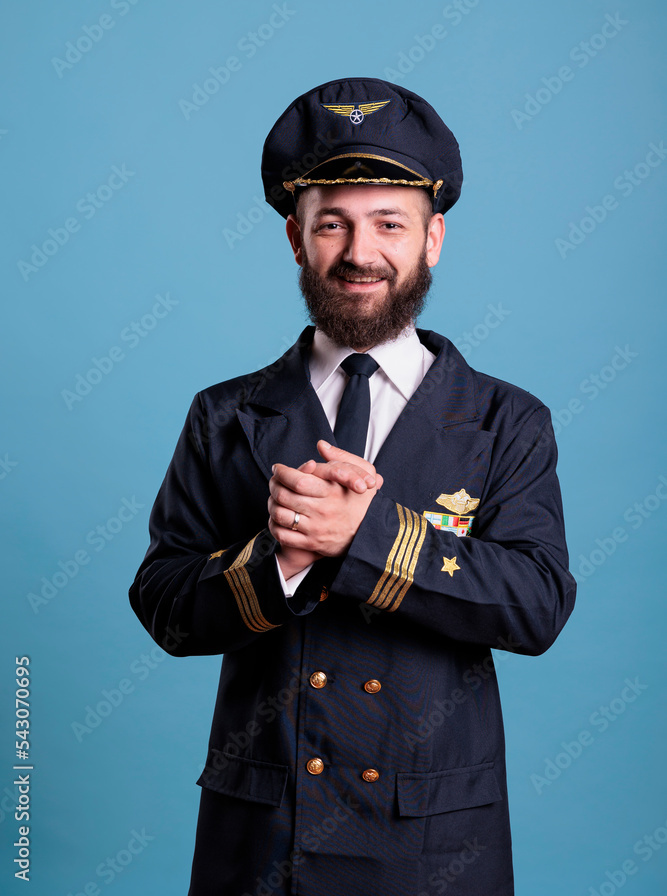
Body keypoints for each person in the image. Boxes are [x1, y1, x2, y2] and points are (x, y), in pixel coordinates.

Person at [129, 77, 577, 896]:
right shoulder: (224, 414)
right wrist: (283, 560)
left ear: (432, 239)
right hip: (265, 837)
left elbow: (538, 605)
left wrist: (365, 535)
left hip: (433, 844)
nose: (358, 251)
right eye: (330, 223)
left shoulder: (506, 419)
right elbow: (164, 606)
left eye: (388, 224)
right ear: (296, 242)